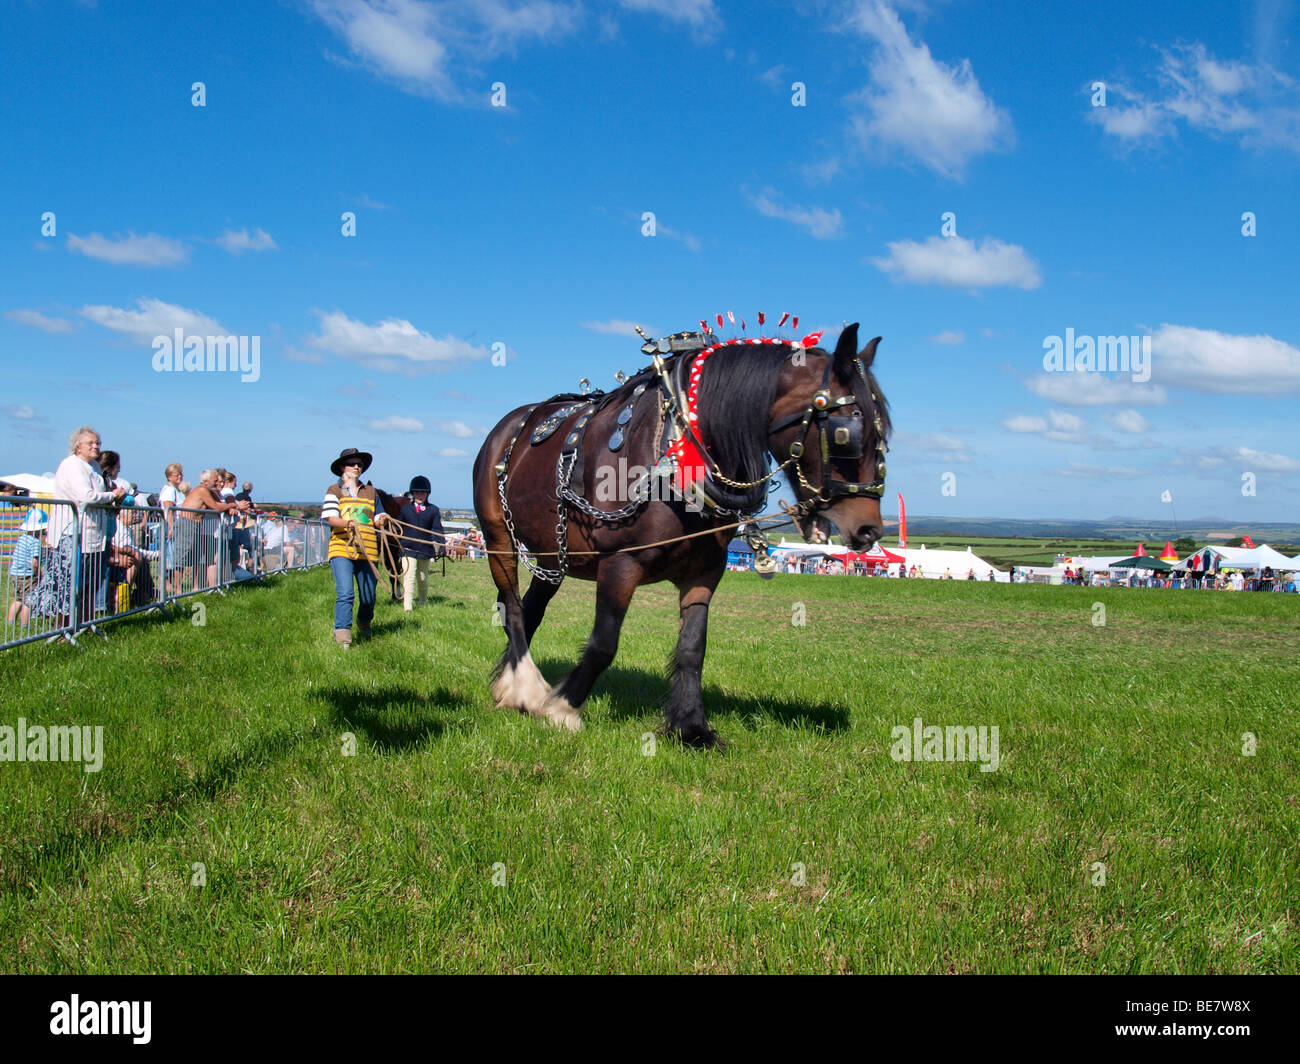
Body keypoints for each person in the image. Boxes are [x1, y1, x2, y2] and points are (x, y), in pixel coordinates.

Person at [26, 426, 125, 624]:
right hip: (71, 532)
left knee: (91, 582)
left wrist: (115, 498)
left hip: (94, 533)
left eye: (98, 443)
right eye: (91, 443)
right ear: (78, 447)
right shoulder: (72, 465)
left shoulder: (95, 467)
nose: (96, 447)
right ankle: (62, 627)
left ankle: (85, 623)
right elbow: (85, 496)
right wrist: (112, 495)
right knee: (68, 584)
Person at [322, 447, 390, 647]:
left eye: (359, 464)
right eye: (352, 464)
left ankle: (364, 621)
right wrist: (348, 524)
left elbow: (377, 517)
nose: (356, 467)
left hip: (368, 551)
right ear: (343, 467)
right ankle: (343, 637)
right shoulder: (334, 491)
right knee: (346, 593)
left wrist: (383, 519)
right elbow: (332, 519)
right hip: (342, 547)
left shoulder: (370, 491)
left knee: (369, 597)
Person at [176, 470, 241, 591]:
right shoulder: (202, 490)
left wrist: (231, 506)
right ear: (206, 482)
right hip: (187, 523)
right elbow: (216, 507)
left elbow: (218, 505)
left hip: (195, 525)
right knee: (181, 559)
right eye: (215, 480)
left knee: (196, 558)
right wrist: (233, 505)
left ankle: (196, 588)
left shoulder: (208, 491)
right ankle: (177, 591)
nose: (217, 483)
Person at [397, 475, 445, 613]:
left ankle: (422, 602)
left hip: (424, 549)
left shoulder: (433, 510)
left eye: (422, 492)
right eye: (417, 492)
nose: (419, 495)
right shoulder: (405, 509)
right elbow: (398, 526)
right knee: (408, 576)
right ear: (413, 492)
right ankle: (408, 606)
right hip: (408, 548)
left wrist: (441, 546)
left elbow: (437, 529)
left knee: (422, 579)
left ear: (427, 494)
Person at [7, 509, 47, 627]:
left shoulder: (22, 538)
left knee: (18, 599)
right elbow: (34, 562)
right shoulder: (35, 542)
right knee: (28, 602)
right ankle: (25, 626)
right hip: (27, 576)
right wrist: (37, 574)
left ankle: (10, 623)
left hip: (15, 574)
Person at [160, 462, 184, 592]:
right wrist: (171, 527)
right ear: (169, 476)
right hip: (172, 526)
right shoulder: (169, 490)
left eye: (180, 474)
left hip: (178, 525)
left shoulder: (177, 490)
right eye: (176, 475)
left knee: (176, 558)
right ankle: (168, 585)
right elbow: (168, 509)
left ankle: (176, 586)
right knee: (170, 558)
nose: (179, 477)